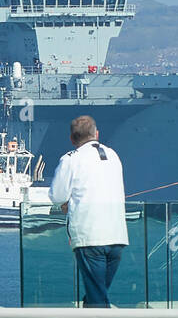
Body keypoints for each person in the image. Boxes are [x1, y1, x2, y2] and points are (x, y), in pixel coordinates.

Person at [48, 116, 129, 307]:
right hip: (117, 237)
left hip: (90, 238)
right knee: (98, 292)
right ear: (96, 134)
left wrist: (67, 202)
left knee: (97, 295)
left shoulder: (70, 160)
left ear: (72, 139)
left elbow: (57, 195)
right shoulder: (113, 156)